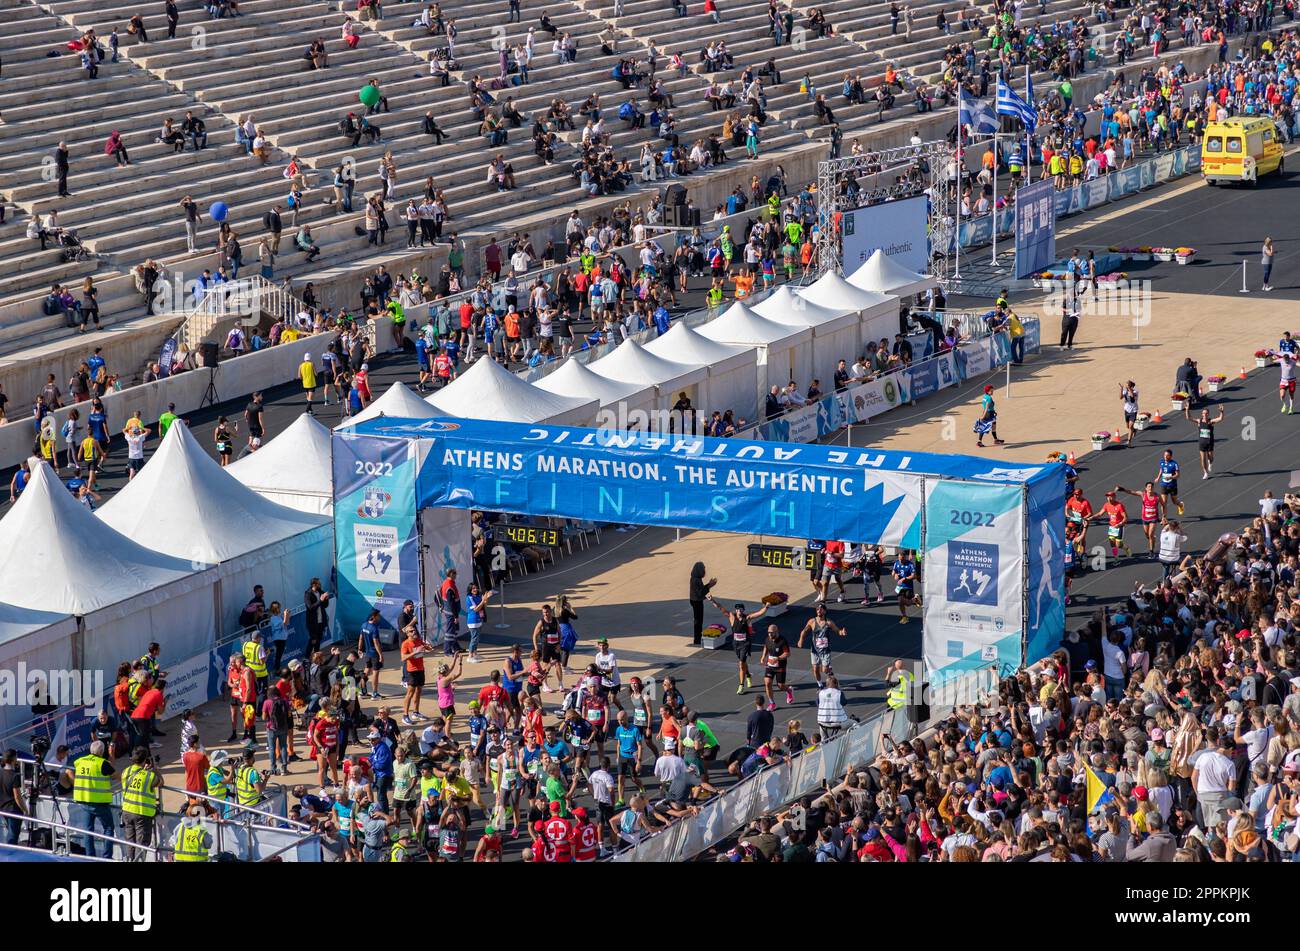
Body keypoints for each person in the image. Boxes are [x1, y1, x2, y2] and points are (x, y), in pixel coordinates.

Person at [711, 598, 768, 695]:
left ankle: (741, 685)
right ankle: (748, 675)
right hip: (736, 644)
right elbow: (721, 608)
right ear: (735, 610)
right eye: (737, 609)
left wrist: (766, 607)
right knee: (743, 662)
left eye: (741, 609)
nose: (739, 611)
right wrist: (712, 600)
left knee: (741, 663)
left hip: (745, 643)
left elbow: (759, 613)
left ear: (743, 610)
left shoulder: (747, 618)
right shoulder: (732, 617)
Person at [72, 740, 116, 858]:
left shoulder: (80, 761)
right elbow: (115, 775)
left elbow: (72, 768)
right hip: (99, 803)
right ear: (102, 752)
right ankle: (107, 857)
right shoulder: (102, 763)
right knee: (108, 828)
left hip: (84, 801)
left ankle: (90, 857)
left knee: (88, 831)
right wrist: (111, 755)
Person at [798, 603, 845, 689]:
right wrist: (801, 640)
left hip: (825, 650)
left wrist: (842, 632)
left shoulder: (829, 622)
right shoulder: (812, 621)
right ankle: (820, 685)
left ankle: (830, 674)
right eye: (817, 609)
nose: (819, 611)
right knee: (815, 669)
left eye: (821, 609)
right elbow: (804, 631)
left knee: (824, 670)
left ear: (825, 611)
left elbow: (837, 631)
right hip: (815, 650)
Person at [759, 623, 793, 711]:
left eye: (771, 633)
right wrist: (763, 657)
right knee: (767, 682)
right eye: (768, 632)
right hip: (770, 665)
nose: (770, 634)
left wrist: (777, 658)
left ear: (776, 632)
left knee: (781, 686)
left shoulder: (782, 641)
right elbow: (766, 647)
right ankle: (772, 703)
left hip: (780, 666)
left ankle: (788, 690)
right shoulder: (767, 639)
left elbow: (787, 653)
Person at [688, 562, 716, 645]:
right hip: (696, 601)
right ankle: (697, 640)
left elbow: (701, 590)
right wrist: (709, 585)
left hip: (695, 600)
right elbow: (700, 592)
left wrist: (708, 585)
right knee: (698, 621)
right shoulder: (696, 580)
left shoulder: (696, 578)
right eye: (703, 569)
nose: (704, 571)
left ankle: (697, 639)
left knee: (698, 621)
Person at [1195, 405, 1225, 479]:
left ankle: (1210, 462)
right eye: (1203, 413)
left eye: (1206, 413)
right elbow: (1188, 418)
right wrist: (1187, 409)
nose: (1204, 414)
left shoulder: (1210, 422)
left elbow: (1220, 418)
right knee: (1202, 459)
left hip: (1210, 443)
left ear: (1208, 414)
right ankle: (1205, 473)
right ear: (1202, 414)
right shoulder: (1199, 421)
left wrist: (1221, 411)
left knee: (1210, 458)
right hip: (1202, 444)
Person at [1155, 448, 1184, 517]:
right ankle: (1164, 518)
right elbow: (1161, 469)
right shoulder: (1161, 462)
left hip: (1172, 485)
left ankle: (1180, 505)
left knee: (1174, 501)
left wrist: (1170, 477)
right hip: (1164, 484)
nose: (1165, 456)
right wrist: (1158, 477)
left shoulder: (1174, 464)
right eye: (1164, 455)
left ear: (1170, 456)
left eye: (1167, 455)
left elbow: (1178, 475)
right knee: (1163, 503)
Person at [891, 549, 917, 624]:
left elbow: (914, 576)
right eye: (899, 558)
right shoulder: (896, 563)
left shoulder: (910, 565)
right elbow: (893, 572)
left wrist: (904, 578)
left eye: (902, 559)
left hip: (908, 586)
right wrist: (895, 575)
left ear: (905, 557)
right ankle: (904, 616)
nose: (900, 560)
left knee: (908, 604)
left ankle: (914, 600)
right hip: (900, 587)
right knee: (900, 601)